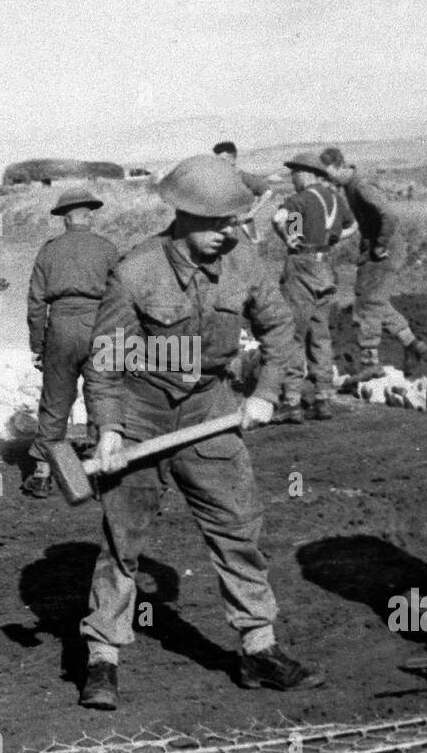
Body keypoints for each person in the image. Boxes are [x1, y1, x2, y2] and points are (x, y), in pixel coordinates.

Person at [78, 153, 325, 710]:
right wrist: (110, 430)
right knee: (124, 539)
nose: (227, 233)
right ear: (183, 216)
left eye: (233, 221)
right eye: (215, 223)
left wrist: (264, 394)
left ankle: (258, 650)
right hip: (142, 413)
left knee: (239, 529)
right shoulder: (136, 270)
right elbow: (105, 359)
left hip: (211, 410)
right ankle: (102, 656)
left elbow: (281, 328)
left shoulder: (246, 263)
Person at [22, 187, 120, 498]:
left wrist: (38, 345)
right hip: (100, 326)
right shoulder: (107, 249)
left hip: (61, 329)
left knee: (55, 401)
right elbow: (121, 298)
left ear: (65, 219)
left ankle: (42, 472)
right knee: (100, 395)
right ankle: (99, 469)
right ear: (88, 218)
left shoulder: (48, 251)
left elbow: (36, 302)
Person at [320, 146, 427, 381]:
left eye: (327, 173)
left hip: (384, 251)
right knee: (372, 301)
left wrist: (380, 245)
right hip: (373, 251)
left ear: (339, 166)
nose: (326, 179)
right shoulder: (348, 186)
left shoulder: (360, 186)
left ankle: (370, 363)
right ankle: (412, 344)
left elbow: (389, 215)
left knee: (368, 304)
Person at [270, 152, 356, 423]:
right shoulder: (333, 198)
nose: (292, 180)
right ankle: (323, 398)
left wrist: (289, 237)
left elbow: (278, 219)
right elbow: (352, 226)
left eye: (293, 174)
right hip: (326, 265)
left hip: (302, 267)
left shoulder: (300, 199)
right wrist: (330, 239)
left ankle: (292, 401)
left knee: (294, 333)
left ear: (304, 173)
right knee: (320, 335)